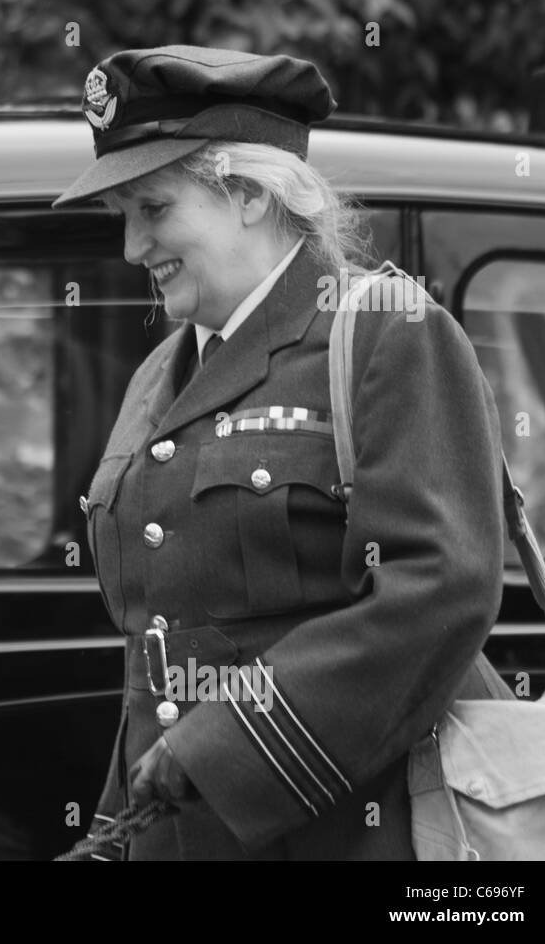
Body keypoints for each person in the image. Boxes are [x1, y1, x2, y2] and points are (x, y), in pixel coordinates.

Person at [54, 46, 513, 859]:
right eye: (121, 216)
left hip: (348, 832)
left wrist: (220, 750)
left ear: (251, 195)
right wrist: (115, 825)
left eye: (153, 209)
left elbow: (440, 590)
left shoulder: (387, 332)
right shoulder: (161, 371)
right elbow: (159, 641)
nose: (130, 248)